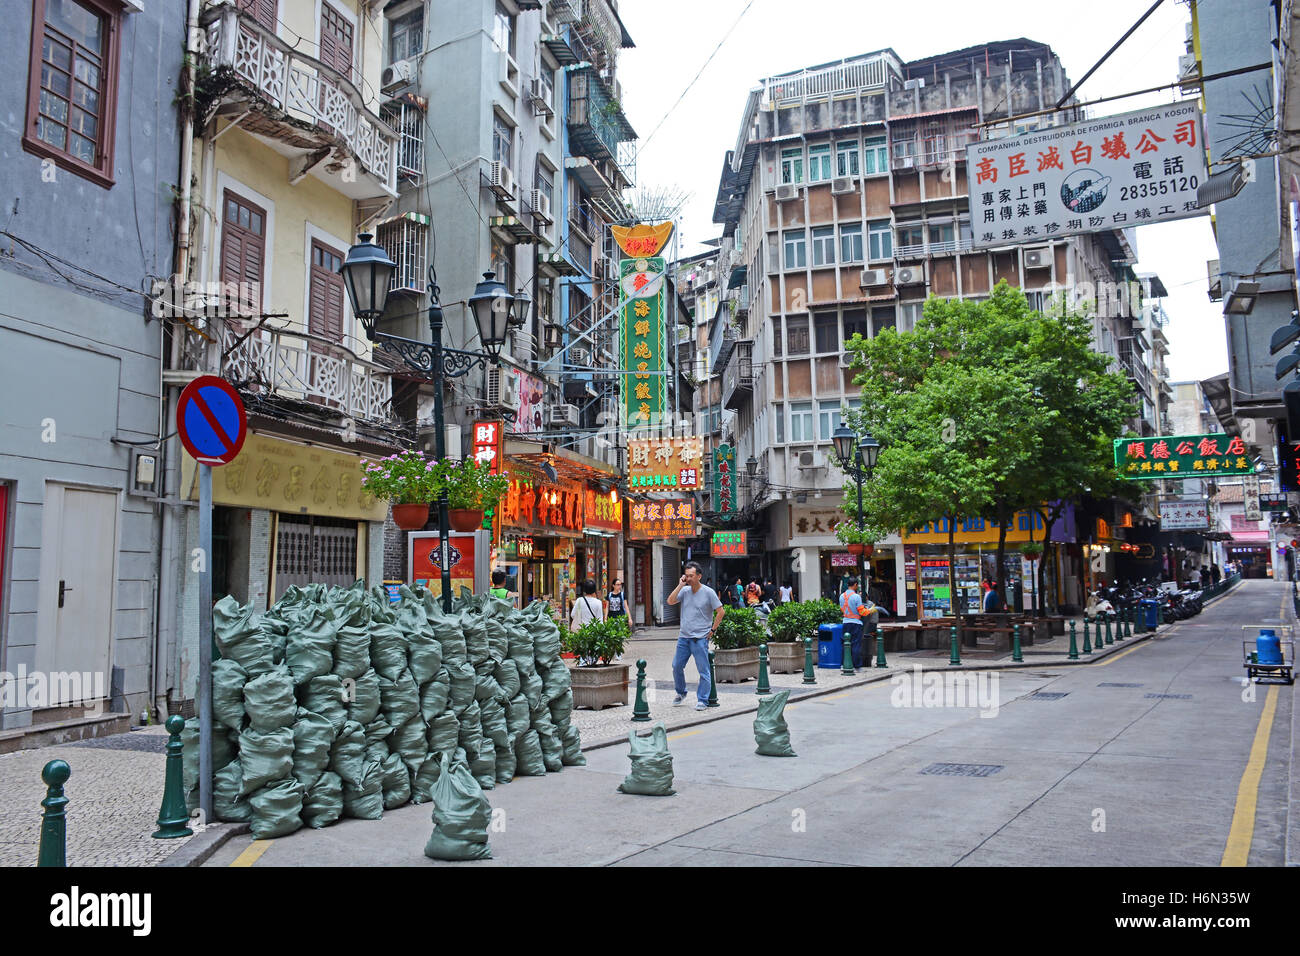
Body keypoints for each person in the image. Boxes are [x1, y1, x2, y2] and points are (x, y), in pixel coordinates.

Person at [667, 561, 725, 711]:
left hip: (700, 638)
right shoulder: (685, 591)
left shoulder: (708, 592)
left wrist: (712, 630)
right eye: (686, 576)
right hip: (684, 637)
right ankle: (681, 693)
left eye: (691, 576)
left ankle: (703, 700)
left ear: (699, 576)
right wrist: (680, 584)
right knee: (676, 666)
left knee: (703, 670)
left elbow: (721, 612)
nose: (689, 578)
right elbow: (670, 601)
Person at [839, 577, 876, 667]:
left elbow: (841, 609)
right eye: (857, 585)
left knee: (845, 644)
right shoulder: (856, 597)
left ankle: (845, 664)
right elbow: (862, 612)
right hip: (855, 623)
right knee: (855, 645)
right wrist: (870, 610)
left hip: (845, 622)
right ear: (855, 585)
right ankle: (857, 665)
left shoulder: (841, 596)